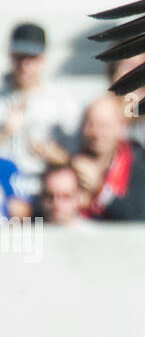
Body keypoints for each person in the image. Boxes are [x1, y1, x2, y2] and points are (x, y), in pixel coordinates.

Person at [0, 22, 81, 203]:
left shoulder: (62, 100)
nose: (25, 65)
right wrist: (4, 132)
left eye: (32, 57)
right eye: (19, 57)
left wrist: (55, 155)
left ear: (43, 58)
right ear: (10, 55)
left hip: (46, 189)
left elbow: (76, 157)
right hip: (5, 190)